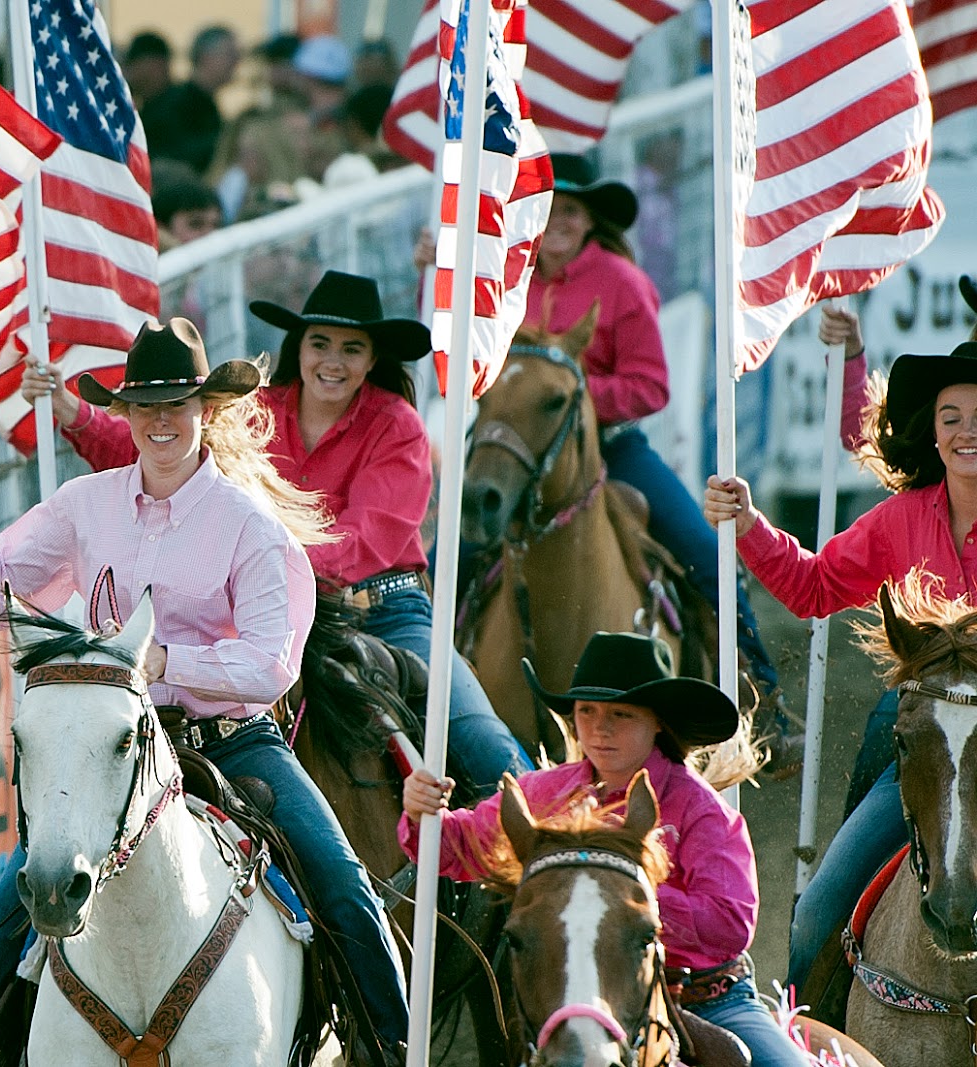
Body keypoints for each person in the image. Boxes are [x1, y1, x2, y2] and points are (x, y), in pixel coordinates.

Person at [0, 318, 409, 1067]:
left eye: (176, 405)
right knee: (5, 916)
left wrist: (164, 662)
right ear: (125, 416)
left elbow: (272, 663)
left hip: (230, 742)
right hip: (107, 749)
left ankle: (391, 1048)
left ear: (205, 410)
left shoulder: (251, 525)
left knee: (343, 887)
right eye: (144, 408)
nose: (160, 421)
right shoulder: (86, 504)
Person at [24, 271, 532, 795]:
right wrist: (74, 413)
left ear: (372, 360)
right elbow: (159, 450)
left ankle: (546, 819)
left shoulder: (397, 425)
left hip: (381, 611)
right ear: (300, 347)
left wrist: (268, 562)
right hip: (264, 619)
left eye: (351, 349)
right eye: (320, 344)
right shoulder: (259, 410)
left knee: (478, 739)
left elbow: (366, 538)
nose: (333, 362)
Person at [701, 339, 976, 997]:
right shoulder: (900, 518)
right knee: (816, 914)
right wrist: (747, 524)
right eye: (951, 417)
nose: (968, 431)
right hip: (927, 741)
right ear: (932, 435)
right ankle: (806, 1032)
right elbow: (813, 587)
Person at [400, 631, 802, 1067]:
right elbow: (456, 847)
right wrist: (423, 812)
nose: (599, 727)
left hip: (707, 998)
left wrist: (607, 901)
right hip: (573, 997)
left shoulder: (703, 810)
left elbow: (729, 923)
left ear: (659, 721)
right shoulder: (544, 792)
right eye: (586, 710)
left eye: (621, 714)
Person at [522, 153, 794, 767]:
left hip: (612, 452)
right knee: (452, 556)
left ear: (589, 219)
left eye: (569, 209)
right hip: (523, 465)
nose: (557, 222)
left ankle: (764, 696)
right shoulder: (510, 280)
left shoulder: (621, 282)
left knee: (706, 552)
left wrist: (571, 402)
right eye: (547, 209)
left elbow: (650, 386)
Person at [141, 25, 240, 175]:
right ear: (205, 56)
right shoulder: (173, 104)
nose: (236, 62)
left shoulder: (206, 104)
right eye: (230, 54)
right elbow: (172, 156)